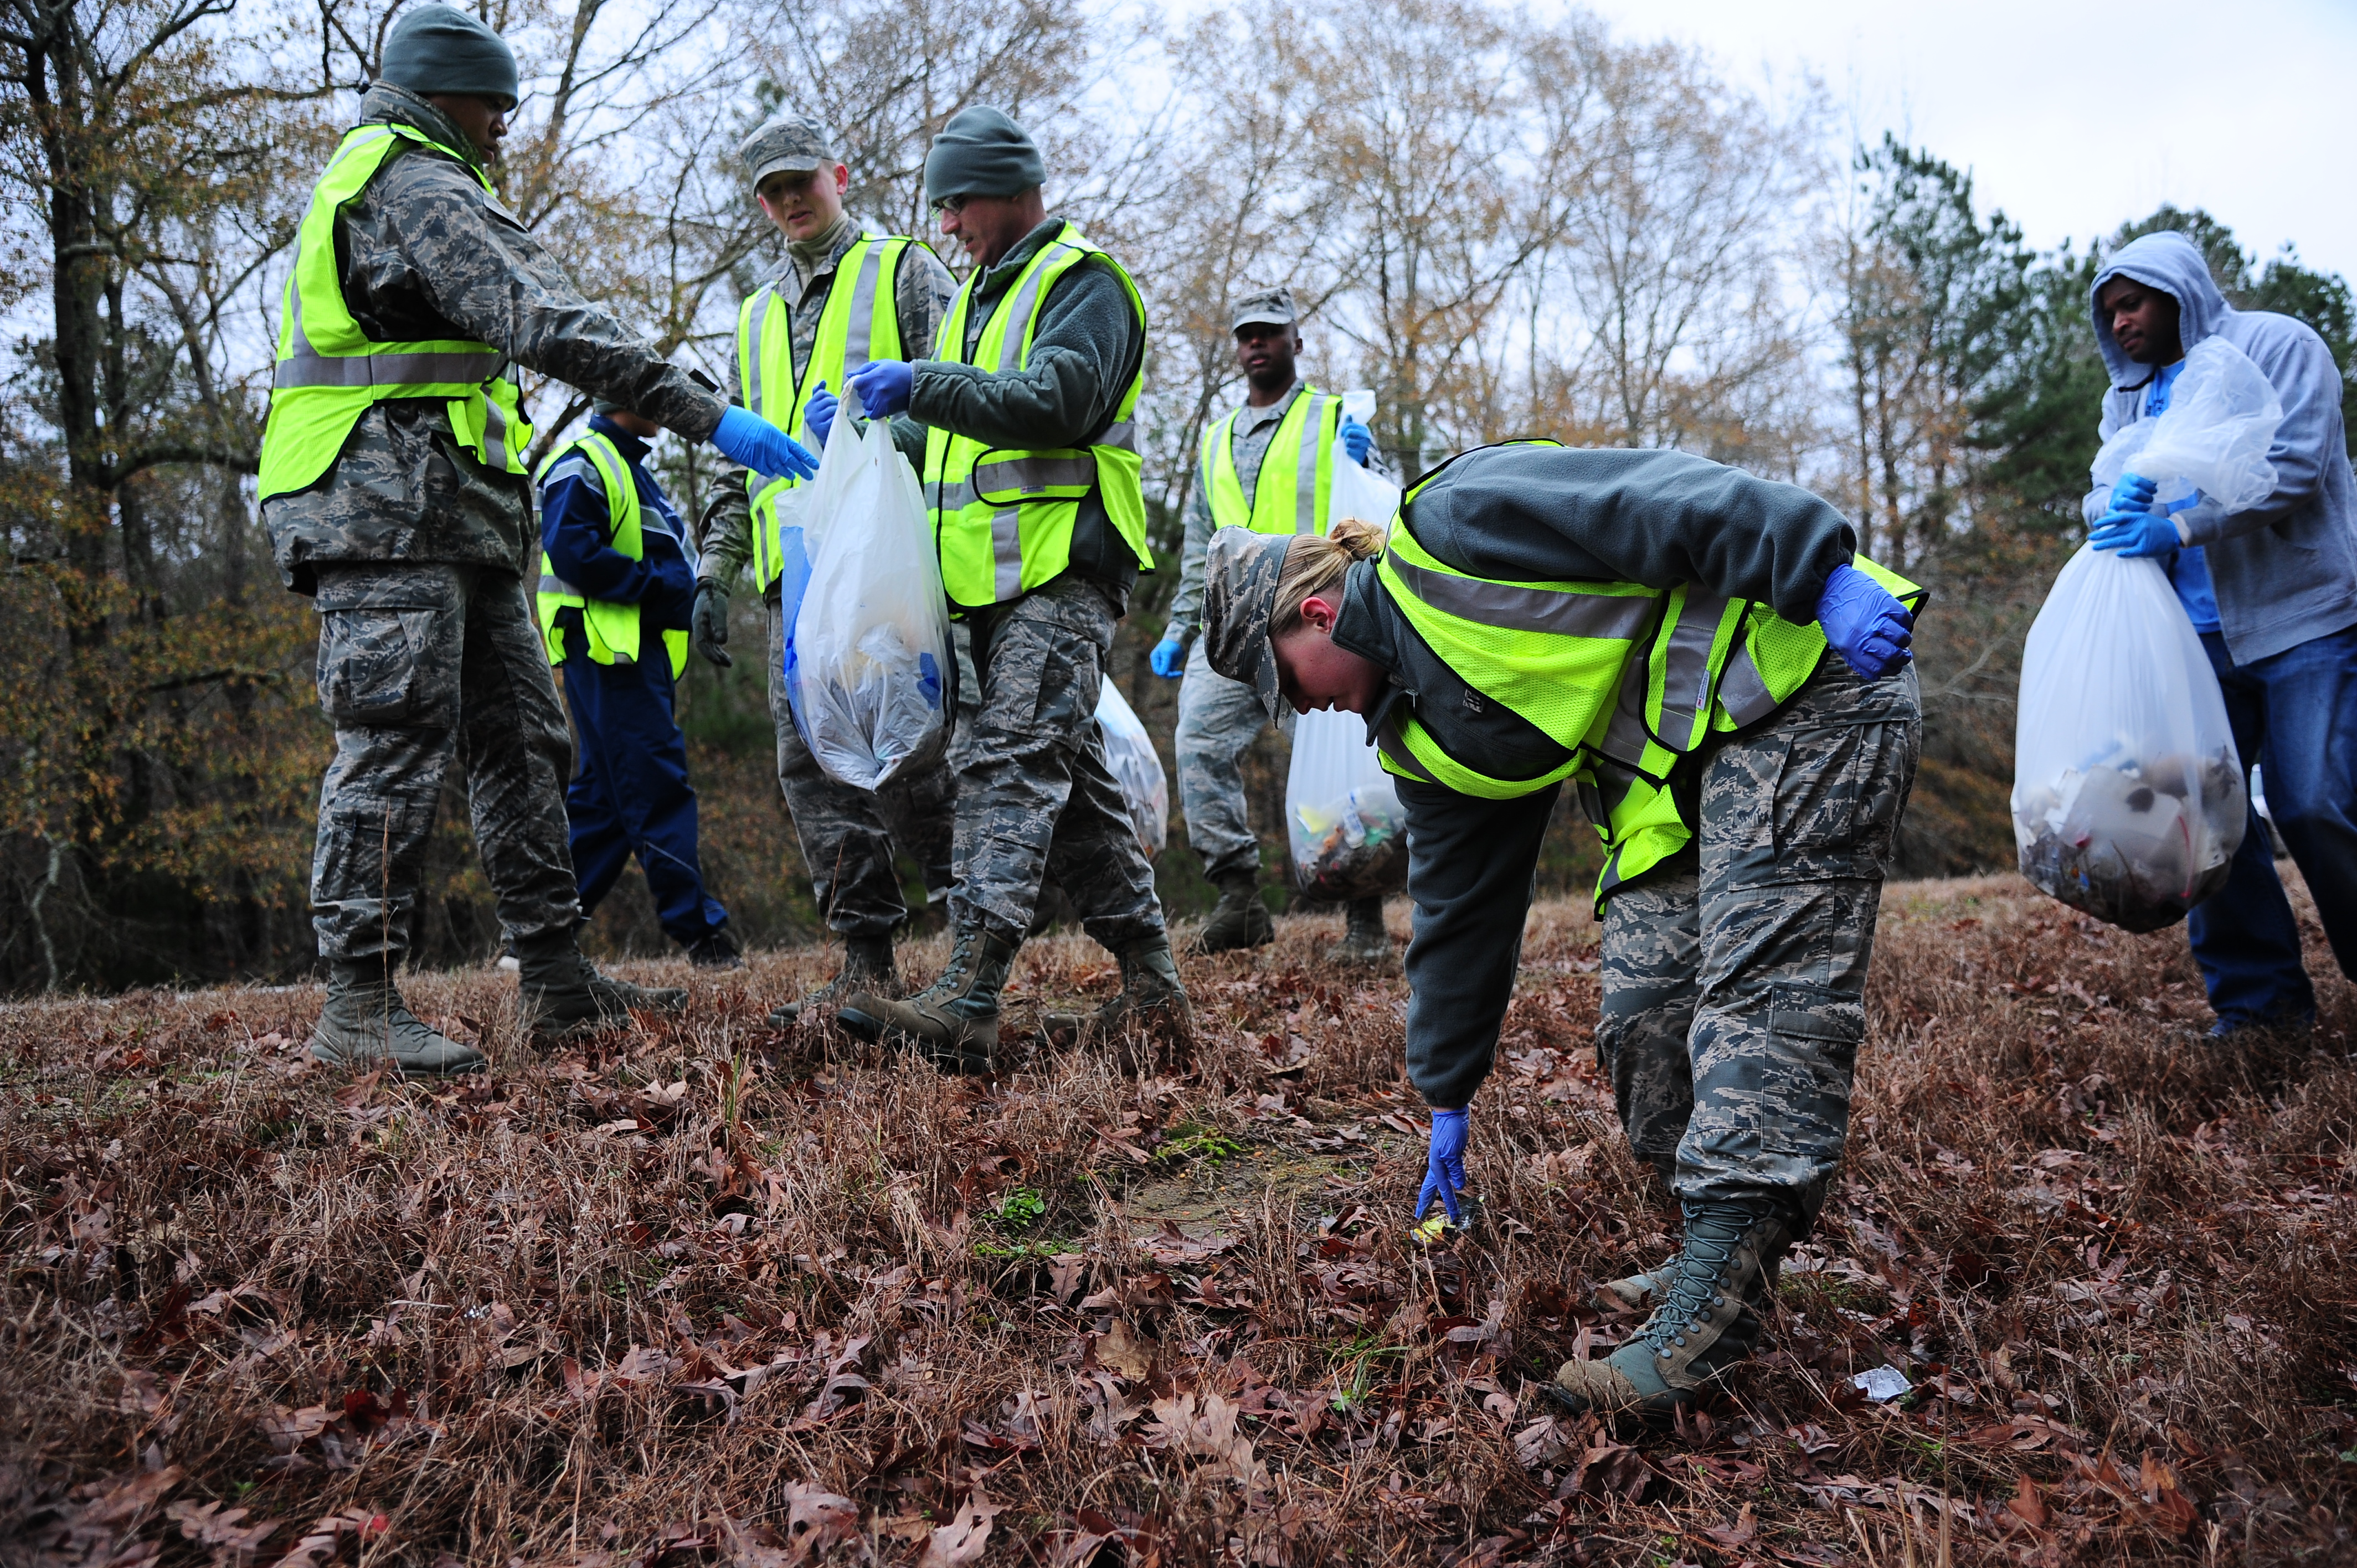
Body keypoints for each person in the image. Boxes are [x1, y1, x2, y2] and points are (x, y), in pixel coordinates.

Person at [1198, 441, 1922, 1421]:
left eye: (1285, 682)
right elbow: (1461, 911)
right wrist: (1445, 1094)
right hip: (1685, 773)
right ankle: (1712, 1253)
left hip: (1808, 680)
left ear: (1316, 614)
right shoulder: (1419, 739)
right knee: (1643, 1014)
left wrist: (1818, 573)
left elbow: (1660, 500)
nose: (1300, 710)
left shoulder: (1453, 526)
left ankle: (1715, 1312)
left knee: (1764, 1002)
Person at [259, 5, 819, 1076]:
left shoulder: (425, 172)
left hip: (451, 509)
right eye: (495, 105)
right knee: (392, 741)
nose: (505, 127)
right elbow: (546, 318)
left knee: (525, 740)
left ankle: (558, 981)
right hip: (378, 506)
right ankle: (359, 1001)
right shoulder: (410, 180)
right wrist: (712, 417)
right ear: (441, 93)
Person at [808, 106, 1187, 1070]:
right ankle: (1153, 983)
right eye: (938, 207)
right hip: (988, 594)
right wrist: (864, 431)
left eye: (958, 203)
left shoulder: (1084, 285)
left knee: (1005, 763)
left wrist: (920, 385)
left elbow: (1058, 405)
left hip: (1064, 572)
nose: (946, 226)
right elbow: (946, 440)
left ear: (1017, 191)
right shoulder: (978, 293)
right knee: (1082, 795)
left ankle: (970, 994)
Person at [693, 112, 963, 1028]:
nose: (789, 200)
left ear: (836, 172)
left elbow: (968, 403)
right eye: (770, 190)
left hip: (893, 566)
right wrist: (712, 569)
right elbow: (738, 458)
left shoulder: (905, 269)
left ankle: (970, 953)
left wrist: (874, 430)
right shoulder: (757, 313)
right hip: (798, 578)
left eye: (800, 179)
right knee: (812, 765)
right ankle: (865, 957)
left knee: (918, 753)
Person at [2084, 230, 2357, 1039]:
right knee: (2203, 823)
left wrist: (2183, 527)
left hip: (2304, 618)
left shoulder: (2278, 345)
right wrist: (2113, 509)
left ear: (2179, 291)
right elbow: (2100, 491)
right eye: (2110, 313)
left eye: (2134, 303)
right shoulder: (2131, 395)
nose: (2122, 324)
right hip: (2193, 644)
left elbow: (2297, 466)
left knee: (2316, 805)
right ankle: (2262, 1005)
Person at [1151, 287, 1389, 963]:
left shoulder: (1334, 415)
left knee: (1342, 759)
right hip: (1232, 622)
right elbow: (1201, 540)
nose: (1256, 344)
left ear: (1296, 343)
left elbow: (1374, 500)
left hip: (1316, 613)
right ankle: (1237, 897)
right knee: (1197, 743)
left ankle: (1363, 914)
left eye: (1270, 333)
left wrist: (1366, 458)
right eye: (1246, 335)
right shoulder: (1215, 438)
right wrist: (1177, 627)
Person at [538, 401, 741, 969]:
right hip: (611, 655)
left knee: (605, 803)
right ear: (624, 397)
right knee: (657, 787)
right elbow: (573, 553)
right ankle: (703, 937)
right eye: (653, 392)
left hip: (635, 657)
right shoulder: (583, 464)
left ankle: (542, 933)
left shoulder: (635, 470)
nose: (667, 406)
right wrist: (660, 591)